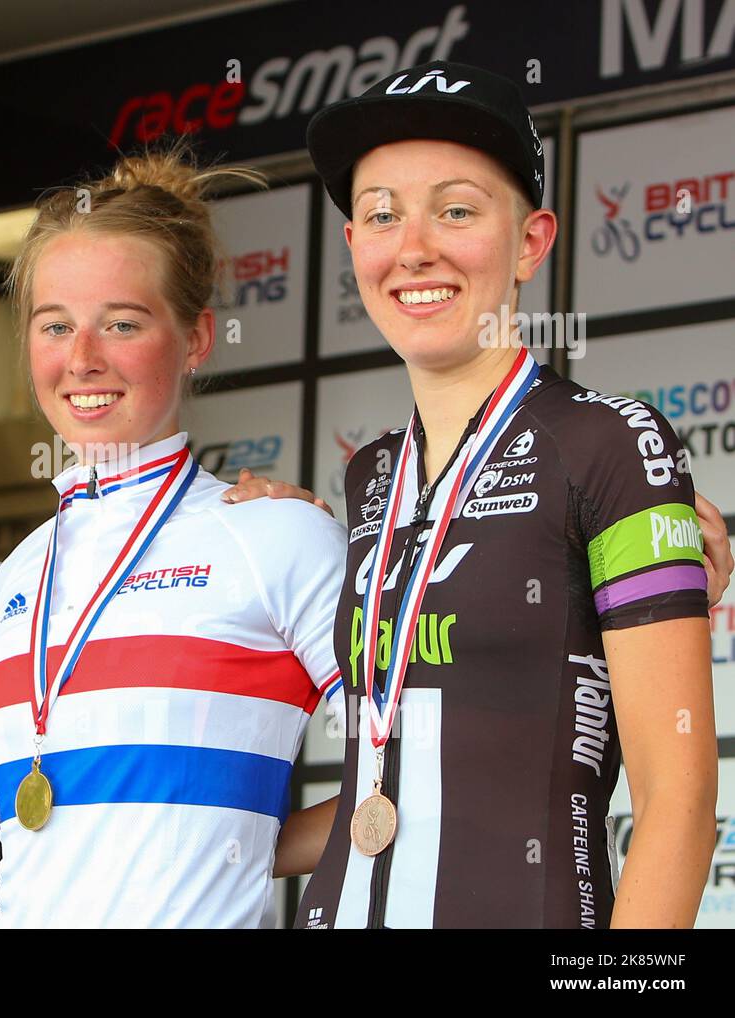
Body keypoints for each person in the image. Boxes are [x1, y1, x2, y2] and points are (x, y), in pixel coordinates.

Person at [268, 60, 718, 928]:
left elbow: (681, 806)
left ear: (532, 241)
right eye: (380, 214)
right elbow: (398, 780)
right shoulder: (371, 475)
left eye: (458, 209)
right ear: (355, 244)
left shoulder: (611, 444)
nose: (414, 246)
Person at [0, 150, 348, 928]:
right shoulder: (19, 573)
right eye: (55, 325)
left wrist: (244, 842)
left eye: (122, 323)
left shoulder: (277, 536)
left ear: (196, 337)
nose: (82, 358)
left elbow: (421, 763)